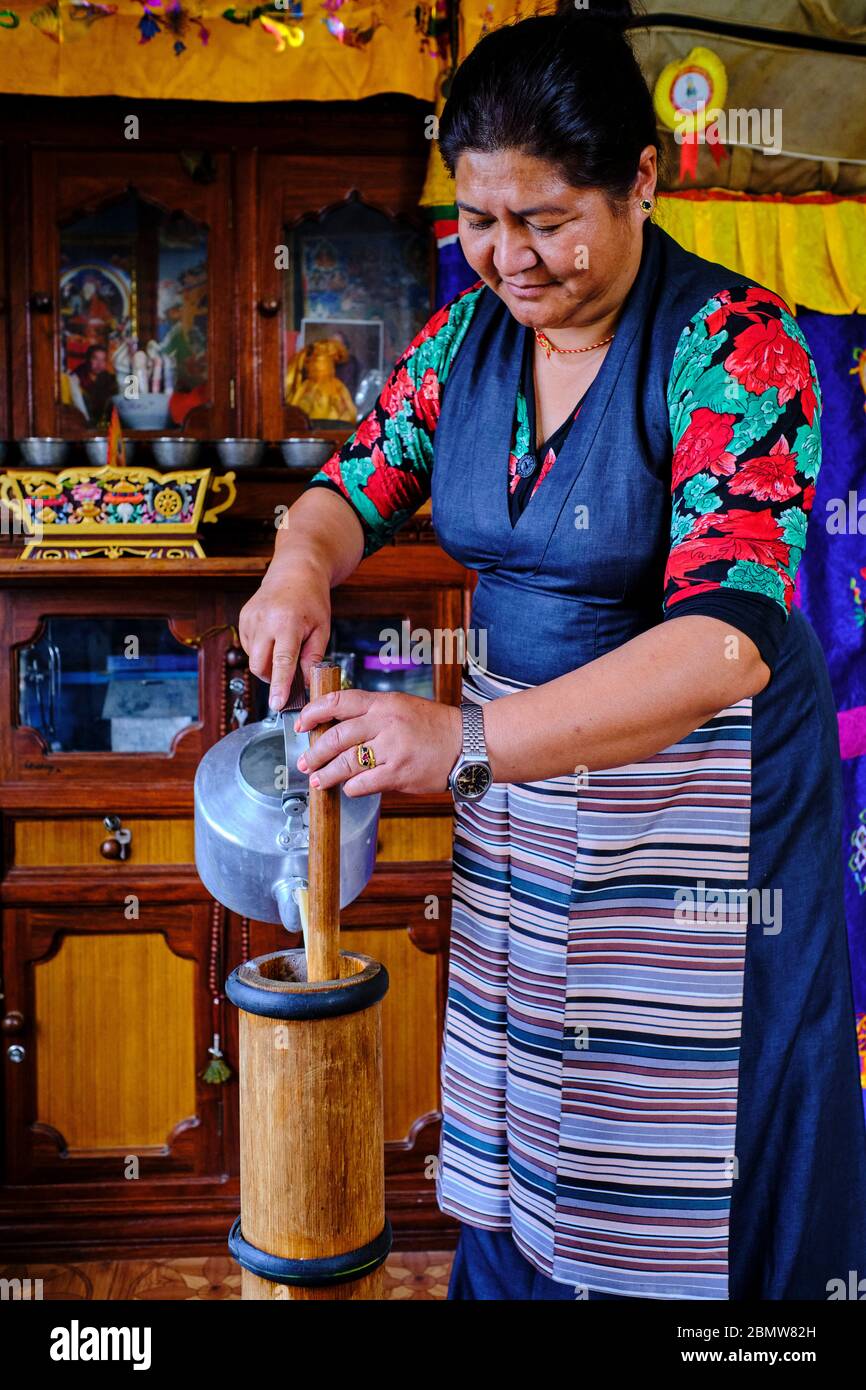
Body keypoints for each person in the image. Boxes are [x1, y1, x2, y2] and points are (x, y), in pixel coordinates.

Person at [238, 0, 866, 1300]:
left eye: (544, 219)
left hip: (702, 801)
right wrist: (299, 568)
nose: (506, 259)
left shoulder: (731, 348)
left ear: (641, 179)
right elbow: (350, 487)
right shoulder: (464, 341)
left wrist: (463, 741)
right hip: (532, 790)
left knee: (693, 1133)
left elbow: (726, 643)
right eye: (476, 221)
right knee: (536, 1091)